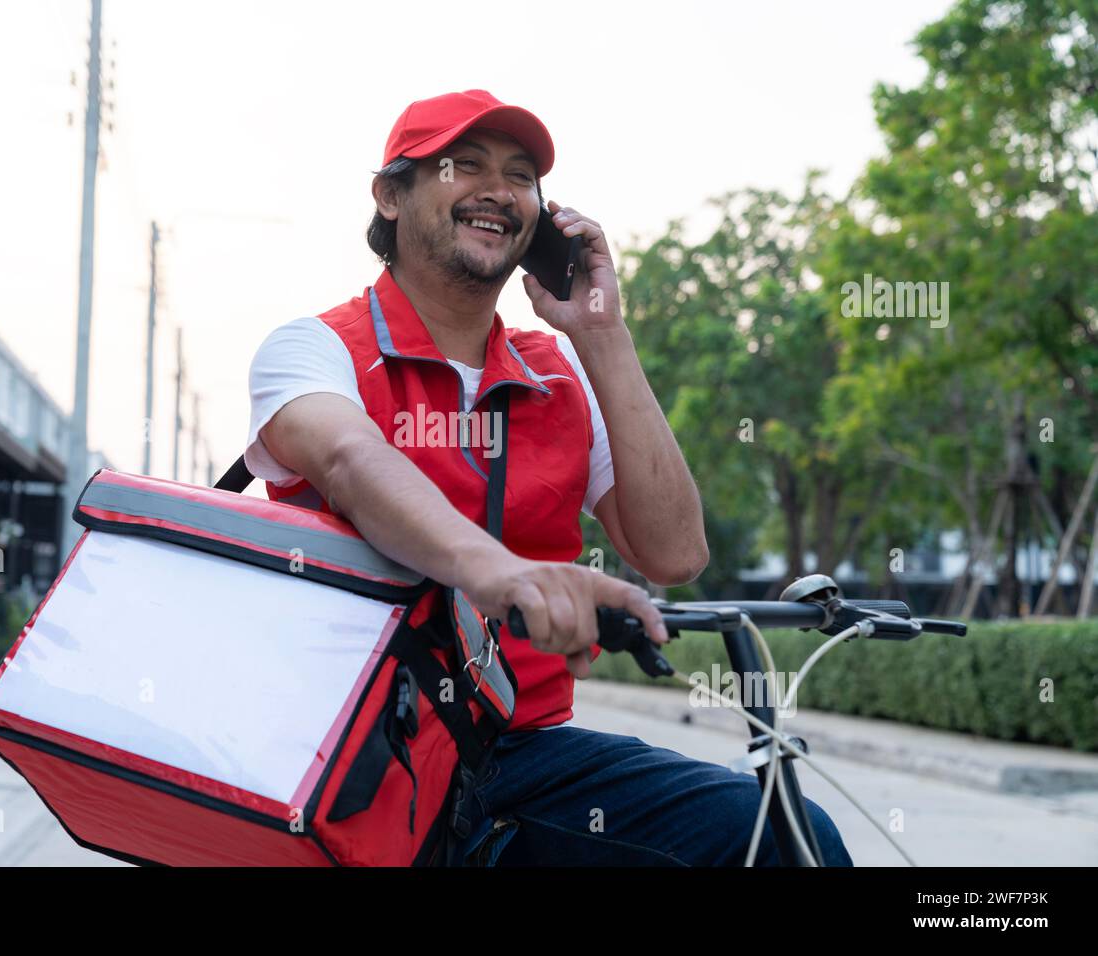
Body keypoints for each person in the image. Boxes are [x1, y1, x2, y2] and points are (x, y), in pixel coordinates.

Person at [244, 89, 852, 866]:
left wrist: (603, 332)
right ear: (391, 195)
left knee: (784, 832)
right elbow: (349, 461)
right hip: (355, 761)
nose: (498, 190)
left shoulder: (557, 368)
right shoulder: (312, 349)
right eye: (464, 165)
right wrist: (505, 577)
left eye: (522, 176)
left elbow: (673, 553)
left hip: (521, 755)